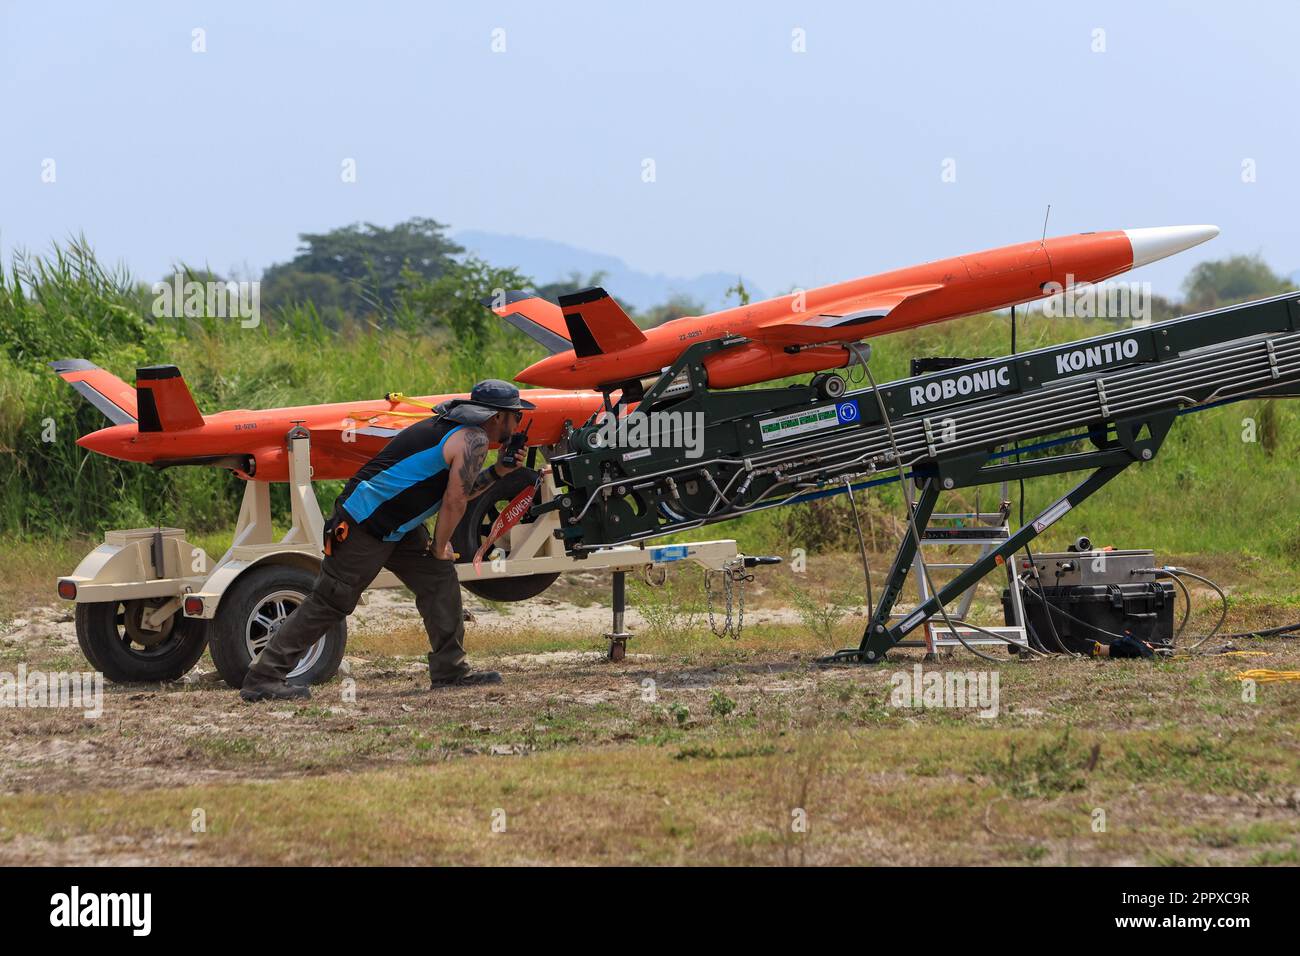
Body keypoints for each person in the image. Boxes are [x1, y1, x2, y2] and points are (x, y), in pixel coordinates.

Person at [239, 379, 534, 702]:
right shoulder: (473, 439)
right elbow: (454, 502)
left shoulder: (450, 428)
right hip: (365, 522)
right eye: (515, 416)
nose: (517, 422)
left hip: (399, 525)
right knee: (330, 600)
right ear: (496, 417)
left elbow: (458, 489)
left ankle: (450, 671)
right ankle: (264, 677)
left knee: (438, 580)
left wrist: (497, 474)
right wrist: (439, 546)